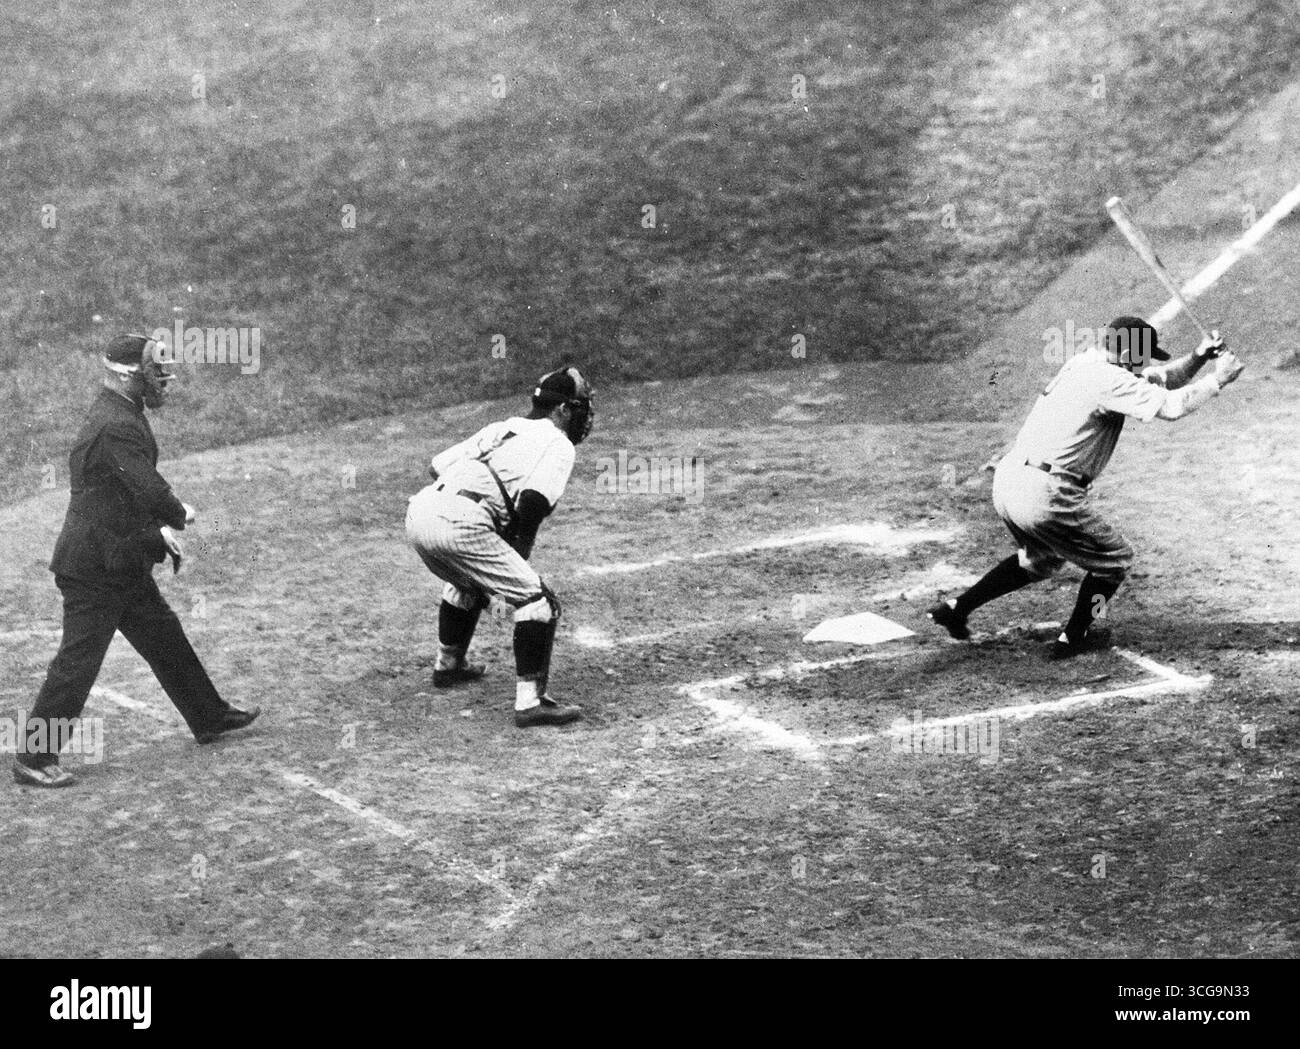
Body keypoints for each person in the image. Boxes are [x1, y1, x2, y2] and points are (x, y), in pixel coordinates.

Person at [13, 333, 259, 788]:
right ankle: (33, 756)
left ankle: (208, 715)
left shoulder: (123, 414)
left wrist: (154, 534)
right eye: (154, 370)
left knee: (164, 635)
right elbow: (145, 486)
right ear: (128, 375)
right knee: (78, 662)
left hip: (118, 557)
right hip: (95, 568)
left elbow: (117, 497)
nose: (162, 378)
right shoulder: (116, 425)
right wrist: (175, 513)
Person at [928, 317, 1246, 657]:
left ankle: (957, 608)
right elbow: (1170, 405)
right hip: (1045, 494)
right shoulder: (1111, 380)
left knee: (1040, 559)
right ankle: (1074, 637)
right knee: (1114, 560)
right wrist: (1218, 380)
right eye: (1142, 356)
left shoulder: (1084, 363)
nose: (1146, 363)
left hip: (1010, 481)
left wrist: (1199, 356)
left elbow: (1161, 380)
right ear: (1126, 352)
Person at [405, 366, 593, 727]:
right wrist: (517, 557)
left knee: (467, 581)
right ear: (563, 410)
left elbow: (437, 466)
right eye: (579, 407)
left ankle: (449, 665)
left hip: (420, 514)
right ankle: (530, 704)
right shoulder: (558, 443)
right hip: (459, 525)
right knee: (538, 602)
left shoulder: (501, 428)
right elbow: (533, 502)